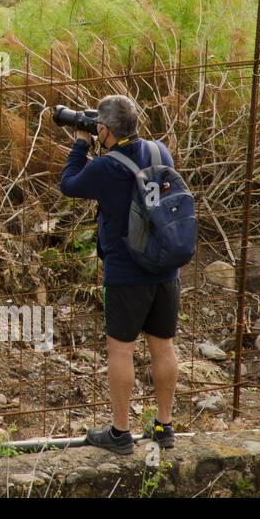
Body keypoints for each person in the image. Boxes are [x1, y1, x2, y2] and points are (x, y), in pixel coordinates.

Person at [59, 94, 178, 454]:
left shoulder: (104, 168)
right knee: (163, 346)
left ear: (104, 131)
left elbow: (69, 183)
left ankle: (120, 433)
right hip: (165, 267)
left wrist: (81, 144)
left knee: (121, 352)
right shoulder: (159, 151)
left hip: (127, 273)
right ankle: (164, 427)